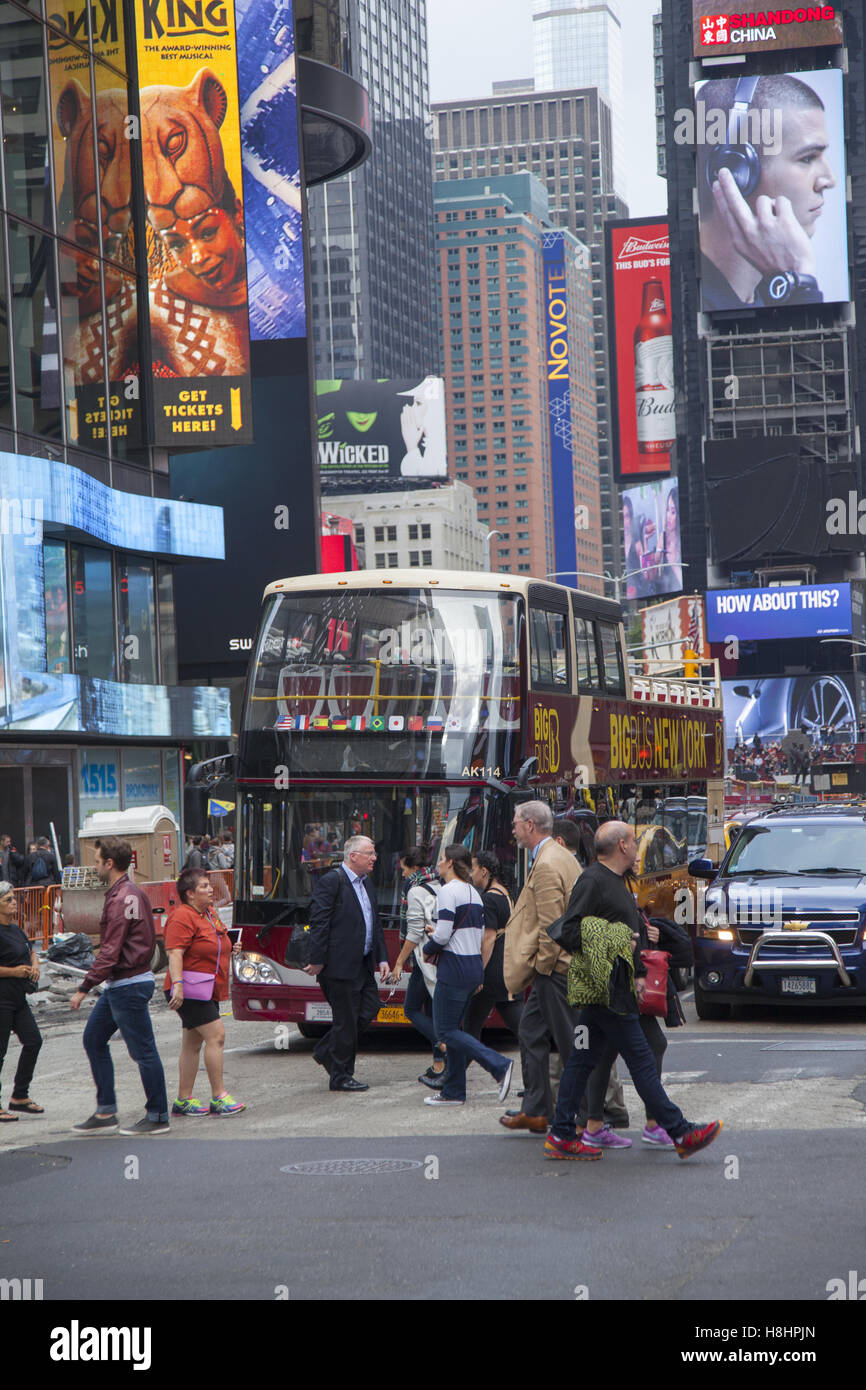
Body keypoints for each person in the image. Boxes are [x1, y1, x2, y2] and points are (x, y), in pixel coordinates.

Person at [545, 821, 722, 1162]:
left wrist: (639, 970)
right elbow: (567, 930)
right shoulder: (593, 880)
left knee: (581, 1062)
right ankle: (680, 1132)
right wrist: (614, 943)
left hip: (613, 990)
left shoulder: (617, 883)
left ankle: (562, 1135)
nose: (637, 845)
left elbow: (629, 935)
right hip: (609, 991)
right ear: (623, 846)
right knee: (641, 1059)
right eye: (632, 839)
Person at [697, 75, 836, 311]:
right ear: (735, 170)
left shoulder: (768, 299)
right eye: (807, 158)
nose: (829, 180)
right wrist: (801, 282)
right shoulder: (685, 305)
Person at [70, 836, 170, 1136]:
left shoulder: (122, 897)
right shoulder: (130, 892)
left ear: (109, 863)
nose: (94, 865)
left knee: (143, 1051)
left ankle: (157, 1115)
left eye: (97, 860)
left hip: (127, 984)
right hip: (123, 984)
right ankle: (106, 1111)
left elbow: (110, 951)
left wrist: (83, 987)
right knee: (93, 1038)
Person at [499, 801, 580, 1134]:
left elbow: (553, 926)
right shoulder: (558, 855)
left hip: (555, 970)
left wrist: (542, 967)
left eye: (516, 823)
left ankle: (580, 1118)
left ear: (531, 825)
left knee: (570, 1045)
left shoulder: (546, 863)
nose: (513, 828)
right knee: (531, 1032)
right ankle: (536, 1110)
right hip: (556, 968)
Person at [420, 844, 513, 1108]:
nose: (437, 864)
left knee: (445, 1031)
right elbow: (468, 932)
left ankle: (499, 1065)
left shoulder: (448, 891)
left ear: (450, 863)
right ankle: (453, 1091)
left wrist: (428, 947)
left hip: (455, 968)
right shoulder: (473, 891)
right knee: (455, 1029)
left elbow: (443, 934)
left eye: (440, 859)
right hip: (472, 966)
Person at [304, 835, 389, 1092]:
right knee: (346, 1021)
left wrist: (382, 957)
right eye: (370, 853)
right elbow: (319, 923)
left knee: (369, 1008)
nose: (374, 858)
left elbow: (375, 923)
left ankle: (325, 1050)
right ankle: (341, 1076)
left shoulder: (366, 884)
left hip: (362, 965)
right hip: (338, 967)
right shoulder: (333, 881)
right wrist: (317, 960)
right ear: (353, 856)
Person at [164, 867, 244, 1116]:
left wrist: (231, 946)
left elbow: (215, 941)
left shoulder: (209, 913)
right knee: (216, 1036)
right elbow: (174, 952)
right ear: (189, 893)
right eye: (204, 887)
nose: (211, 890)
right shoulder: (182, 917)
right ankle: (219, 1097)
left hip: (207, 987)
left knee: (192, 1042)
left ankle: (183, 1099)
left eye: (210, 885)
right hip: (190, 989)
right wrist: (177, 985)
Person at [387, 848, 445, 1086]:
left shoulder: (414, 890)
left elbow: (413, 932)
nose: (402, 874)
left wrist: (399, 961)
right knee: (432, 1012)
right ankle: (439, 1064)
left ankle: (447, 1045)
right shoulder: (440, 883)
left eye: (402, 869)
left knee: (411, 1009)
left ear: (411, 867)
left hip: (423, 958)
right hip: (439, 957)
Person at [463, 851, 523, 1045]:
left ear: (484, 871)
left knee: (471, 1028)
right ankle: (454, 1073)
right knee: (472, 1026)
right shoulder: (505, 893)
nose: (470, 874)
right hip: (508, 966)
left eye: (473, 869)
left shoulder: (489, 898)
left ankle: (456, 1073)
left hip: (493, 972)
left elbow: (488, 939)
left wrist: (478, 971)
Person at [0, 882, 43, 1122]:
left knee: (34, 1041)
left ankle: (19, 1096)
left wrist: (34, 966)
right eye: (8, 900)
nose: (14, 903)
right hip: (2, 999)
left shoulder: (16, 930)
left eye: (13, 898)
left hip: (18, 999)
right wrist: (14, 972)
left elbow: (32, 951)